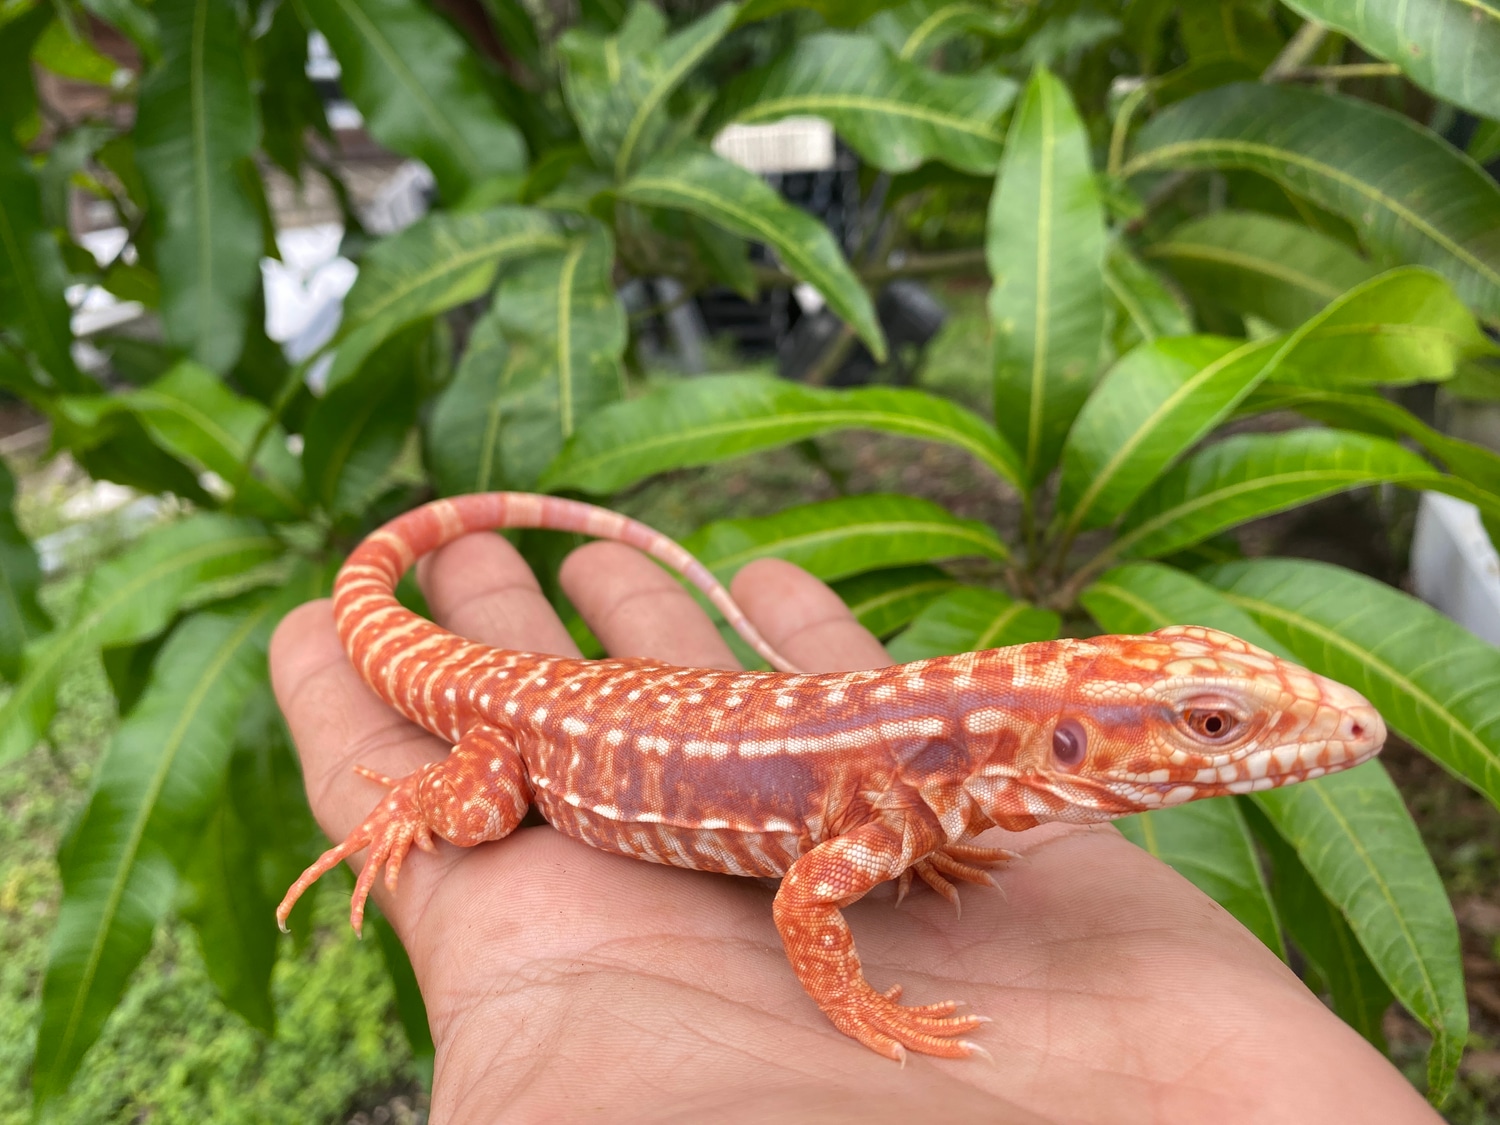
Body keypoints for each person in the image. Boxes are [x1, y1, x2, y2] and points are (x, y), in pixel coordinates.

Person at [270, 531, 1443, 1123]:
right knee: (476, 819)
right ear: (1074, 742)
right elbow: (805, 894)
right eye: (1215, 724)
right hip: (520, 734)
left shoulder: (932, 782)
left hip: (594, 707)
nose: (1333, 735)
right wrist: (862, 1009)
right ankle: (417, 775)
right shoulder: (911, 789)